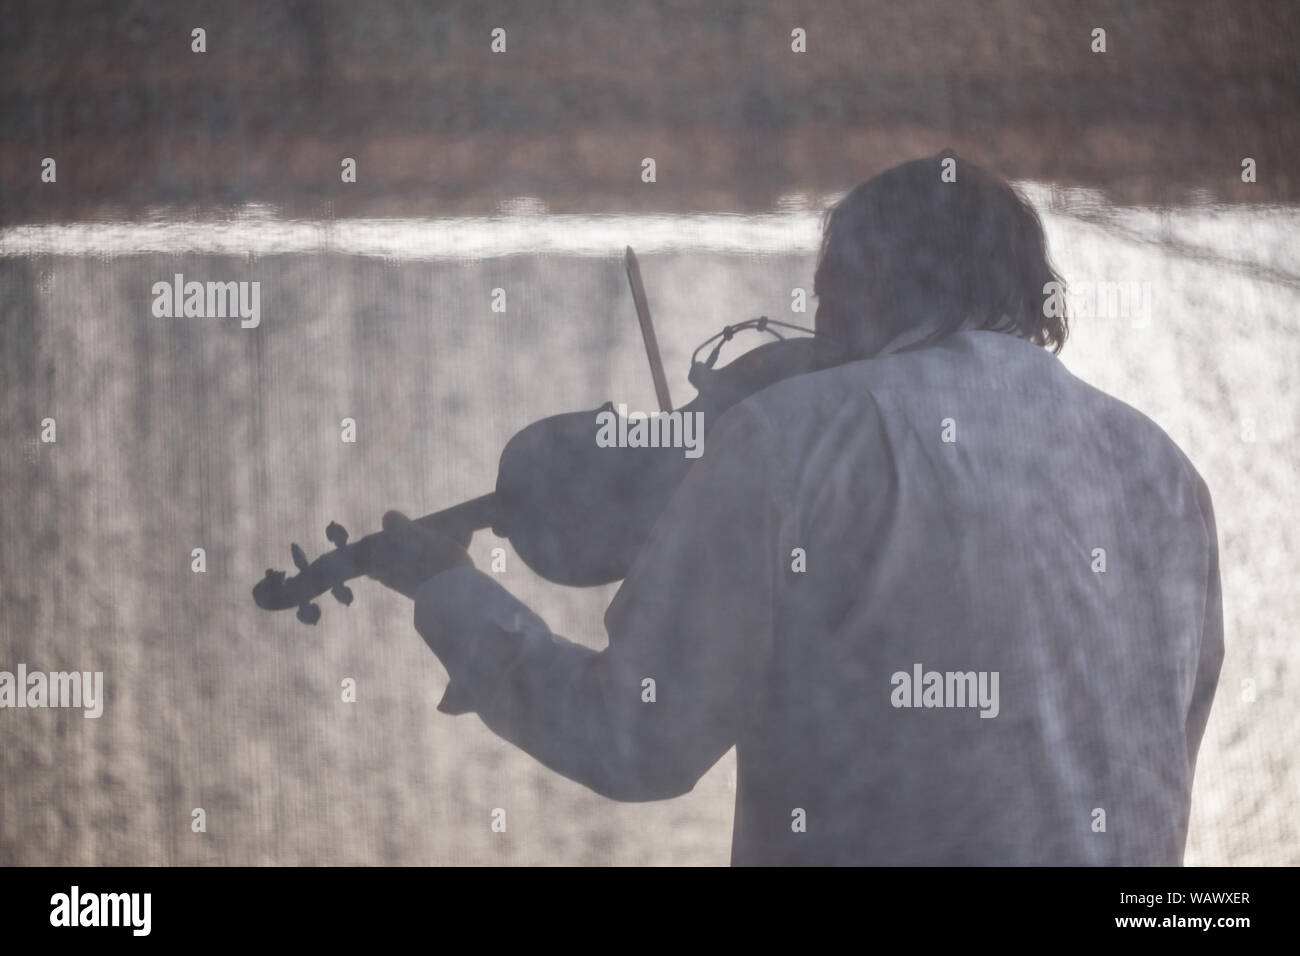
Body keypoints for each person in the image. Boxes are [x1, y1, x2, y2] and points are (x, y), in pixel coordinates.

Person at [369, 154, 1224, 865]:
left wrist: (449, 590)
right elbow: (1163, 777)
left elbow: (633, 737)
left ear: (872, 279)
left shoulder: (792, 435)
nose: (815, 332)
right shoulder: (1169, 477)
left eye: (825, 292)